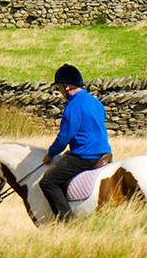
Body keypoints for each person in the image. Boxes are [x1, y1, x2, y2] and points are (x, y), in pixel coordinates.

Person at [40, 63, 111, 221]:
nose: (59, 92)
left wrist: (51, 154)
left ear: (66, 86)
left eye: (58, 88)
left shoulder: (73, 106)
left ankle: (68, 221)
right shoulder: (95, 102)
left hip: (85, 156)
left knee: (48, 182)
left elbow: (64, 137)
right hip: (105, 152)